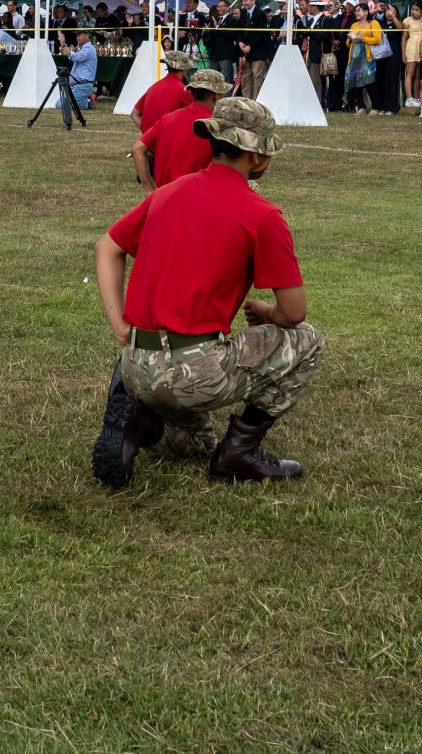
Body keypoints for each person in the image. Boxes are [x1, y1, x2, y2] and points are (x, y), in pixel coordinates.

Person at [91, 97, 320, 489]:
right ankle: (240, 454)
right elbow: (294, 312)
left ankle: (141, 420)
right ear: (258, 157)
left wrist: (119, 324)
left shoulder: (166, 194)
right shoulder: (262, 215)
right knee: (307, 341)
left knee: (197, 444)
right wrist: (268, 313)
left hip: (135, 362)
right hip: (194, 369)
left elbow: (106, 248)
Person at [134, 68, 229, 191]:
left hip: (163, 199)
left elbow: (137, 149)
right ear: (216, 96)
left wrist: (149, 189)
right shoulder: (218, 127)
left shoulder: (167, 119)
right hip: (197, 198)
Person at [133, 48, 196, 133]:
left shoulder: (153, 87)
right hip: (166, 141)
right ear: (183, 69)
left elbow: (134, 113)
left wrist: (147, 133)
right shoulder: (183, 90)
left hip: (146, 142)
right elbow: (196, 116)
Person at [67, 32, 99, 110]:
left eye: (79, 35)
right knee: (59, 104)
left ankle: (87, 103)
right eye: (77, 36)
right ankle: (87, 100)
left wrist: (64, 45)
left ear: (87, 35)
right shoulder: (82, 49)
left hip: (83, 85)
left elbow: (75, 57)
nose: (77, 38)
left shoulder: (88, 49)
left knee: (63, 105)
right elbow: (73, 57)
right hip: (77, 85)